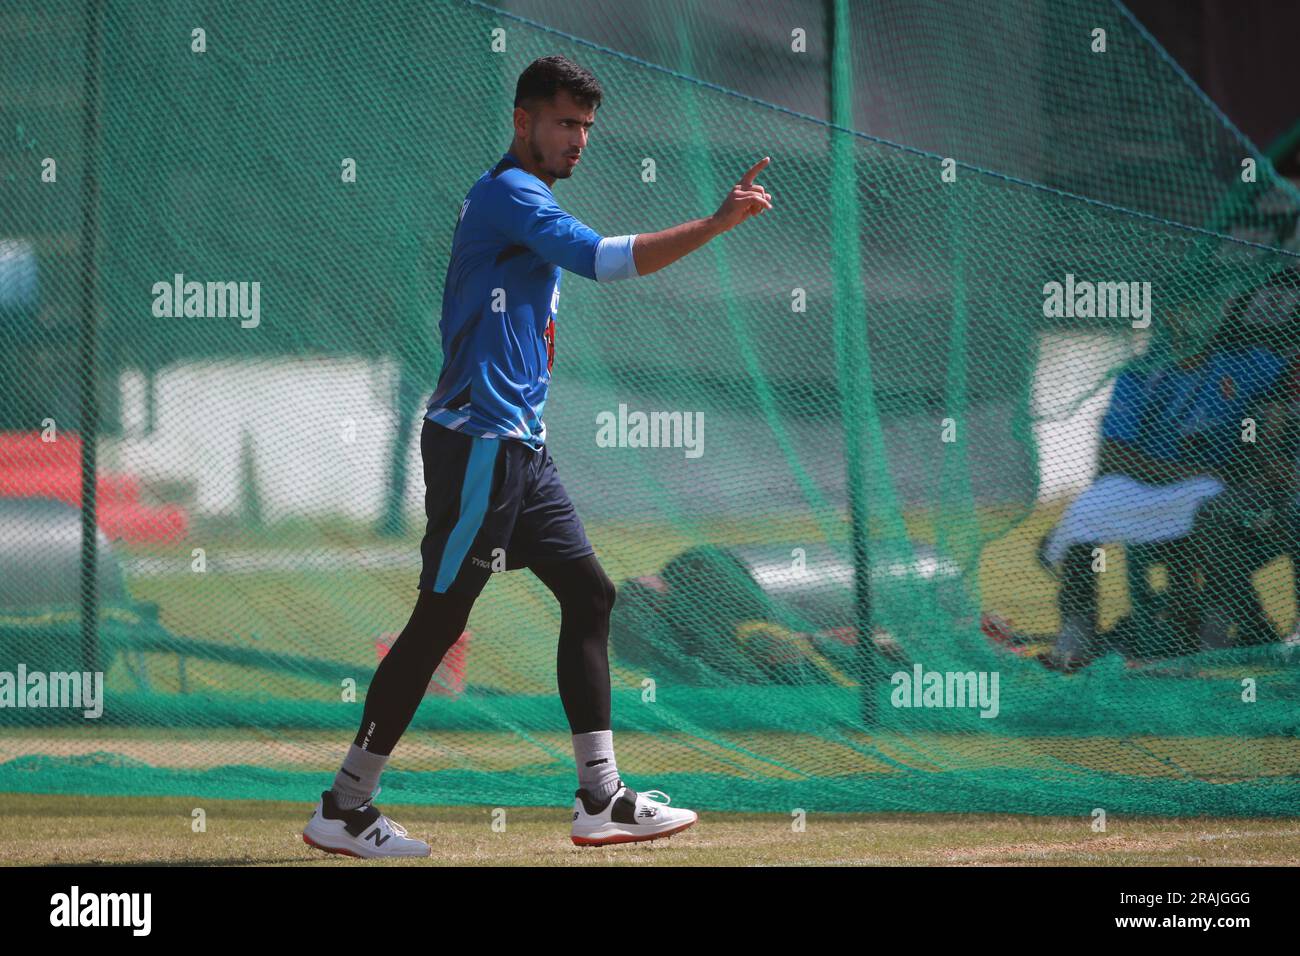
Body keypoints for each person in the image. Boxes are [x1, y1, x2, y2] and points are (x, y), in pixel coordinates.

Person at [302, 55, 773, 856]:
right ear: (522, 122)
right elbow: (605, 260)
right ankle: (345, 807)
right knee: (439, 622)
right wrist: (716, 224)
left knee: (590, 596)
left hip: (522, 448)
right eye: (564, 123)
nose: (578, 139)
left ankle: (601, 798)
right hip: (479, 443)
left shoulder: (528, 197)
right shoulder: (510, 194)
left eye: (587, 127)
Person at [1040, 305, 1290, 670]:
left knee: (1211, 503)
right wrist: (1183, 471)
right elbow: (1112, 453)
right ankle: (1078, 630)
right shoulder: (1140, 372)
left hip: (1214, 485)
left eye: (1200, 310)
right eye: (1181, 311)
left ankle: (1209, 626)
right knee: (1085, 510)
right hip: (1152, 484)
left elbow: (1288, 382)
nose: (1191, 320)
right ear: (1167, 320)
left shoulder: (1246, 364)